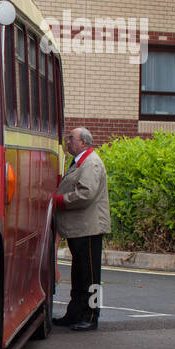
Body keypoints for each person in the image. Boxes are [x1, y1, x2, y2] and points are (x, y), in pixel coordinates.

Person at [53, 127, 110, 331]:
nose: (68, 142)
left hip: (89, 228)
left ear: (84, 143)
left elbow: (85, 193)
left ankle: (92, 316)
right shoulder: (80, 161)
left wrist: (60, 200)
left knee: (91, 277)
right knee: (79, 274)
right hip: (80, 227)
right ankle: (75, 313)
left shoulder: (91, 163)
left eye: (72, 139)